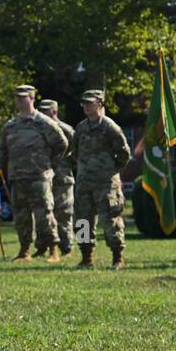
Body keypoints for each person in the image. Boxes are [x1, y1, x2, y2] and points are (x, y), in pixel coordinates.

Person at [0, 85, 67, 263]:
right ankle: (25, 251)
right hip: (17, 178)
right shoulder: (11, 126)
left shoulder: (43, 123)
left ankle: (53, 250)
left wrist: (49, 164)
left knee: (44, 215)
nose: (19, 100)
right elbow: (1, 150)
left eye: (23, 97)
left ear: (32, 98)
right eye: (17, 97)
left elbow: (61, 144)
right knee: (21, 217)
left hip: (39, 178)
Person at [72, 90, 131, 269]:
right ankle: (86, 257)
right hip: (84, 183)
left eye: (90, 103)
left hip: (106, 183)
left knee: (110, 220)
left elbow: (124, 153)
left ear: (100, 104)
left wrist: (110, 170)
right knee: (83, 221)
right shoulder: (81, 128)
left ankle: (117, 257)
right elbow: (75, 151)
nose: (86, 107)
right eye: (84, 103)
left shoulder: (110, 127)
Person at [37, 99, 76, 256]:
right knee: (43, 211)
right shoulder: (38, 129)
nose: (43, 113)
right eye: (41, 110)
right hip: (44, 176)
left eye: (47, 110)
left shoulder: (66, 130)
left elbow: (77, 150)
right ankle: (43, 245)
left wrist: (66, 164)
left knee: (64, 212)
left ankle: (66, 245)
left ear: (54, 112)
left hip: (62, 176)